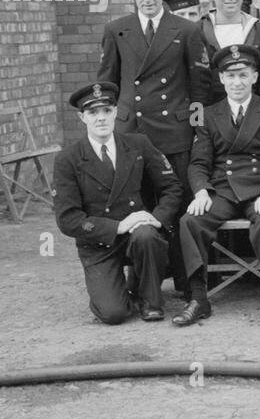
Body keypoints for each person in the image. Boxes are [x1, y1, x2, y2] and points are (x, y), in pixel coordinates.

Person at [97, 0, 209, 298]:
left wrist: (196, 131)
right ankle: (143, 281)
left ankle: (187, 279)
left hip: (174, 135)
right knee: (136, 207)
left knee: (177, 208)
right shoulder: (117, 30)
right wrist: (113, 130)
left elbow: (199, 90)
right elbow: (107, 85)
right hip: (133, 133)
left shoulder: (186, 30)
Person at [173, 44, 260, 330]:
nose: (237, 82)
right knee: (191, 221)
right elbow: (198, 162)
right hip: (222, 188)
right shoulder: (208, 114)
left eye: (243, 75)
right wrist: (201, 191)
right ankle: (199, 298)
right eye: (230, 76)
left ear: (255, 76)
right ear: (221, 79)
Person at [53, 81, 182, 324]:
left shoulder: (138, 144)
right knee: (113, 314)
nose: (100, 118)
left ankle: (150, 300)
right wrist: (117, 227)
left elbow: (172, 186)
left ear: (115, 113)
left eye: (106, 111)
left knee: (146, 236)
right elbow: (68, 219)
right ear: (82, 117)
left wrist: (157, 218)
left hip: (139, 233)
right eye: (92, 112)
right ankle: (119, 288)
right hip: (98, 242)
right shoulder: (68, 159)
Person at [197, 0, 260, 104]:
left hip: (253, 113)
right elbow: (193, 84)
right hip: (210, 115)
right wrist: (197, 122)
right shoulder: (198, 30)